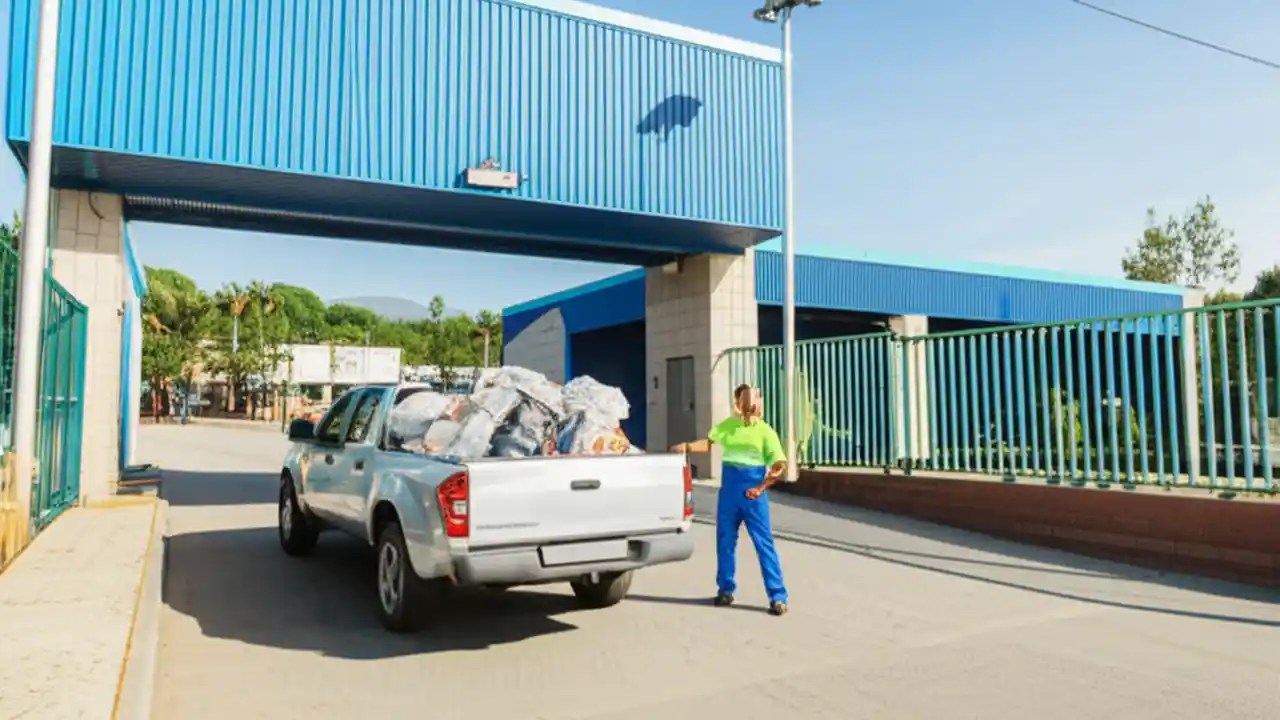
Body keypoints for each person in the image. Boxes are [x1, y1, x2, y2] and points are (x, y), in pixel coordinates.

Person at [671, 384, 789, 616]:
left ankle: (777, 596)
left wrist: (761, 486)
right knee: (725, 541)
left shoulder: (765, 432)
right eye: (746, 398)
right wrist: (686, 446)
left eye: (754, 398)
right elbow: (709, 442)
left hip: (753, 494)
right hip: (729, 493)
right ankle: (725, 589)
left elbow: (779, 465)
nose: (751, 403)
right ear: (738, 402)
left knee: (763, 544)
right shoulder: (729, 426)